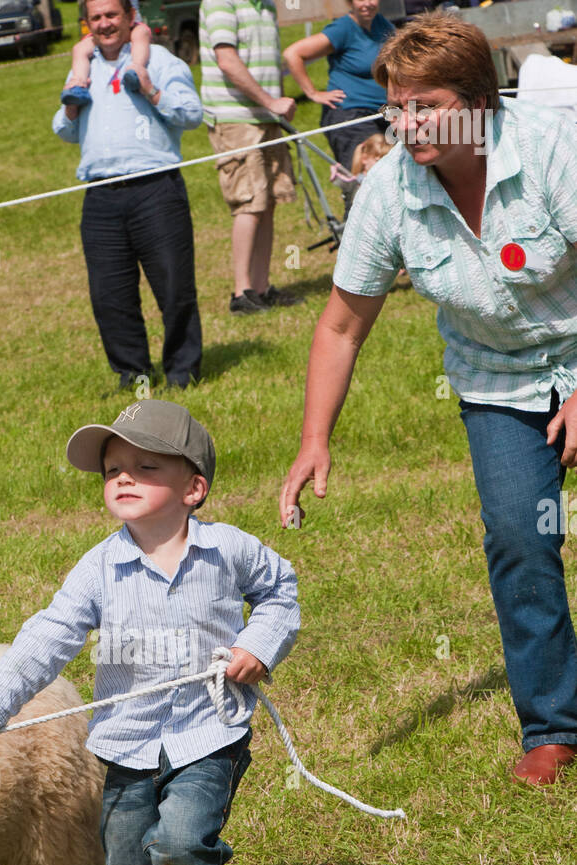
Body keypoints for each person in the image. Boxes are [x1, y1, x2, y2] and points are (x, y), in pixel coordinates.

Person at [279, 12, 577, 787]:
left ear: (480, 102)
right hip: (497, 380)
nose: (406, 124)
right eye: (396, 107)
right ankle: (551, 726)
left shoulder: (553, 149)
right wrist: (316, 438)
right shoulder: (388, 192)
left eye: (425, 104)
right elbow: (342, 324)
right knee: (520, 540)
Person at [0, 400, 300, 865]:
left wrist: (259, 644)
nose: (123, 477)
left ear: (194, 488)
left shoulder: (228, 550)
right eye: (112, 470)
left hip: (209, 731)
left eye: (145, 465)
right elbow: (45, 640)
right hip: (127, 741)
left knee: (180, 842)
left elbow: (280, 592)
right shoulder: (98, 569)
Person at [53, 0, 204, 390]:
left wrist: (151, 90)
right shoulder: (84, 65)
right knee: (109, 295)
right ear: (88, 24)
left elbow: (191, 114)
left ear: (130, 17)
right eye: (96, 18)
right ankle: (132, 372)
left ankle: (182, 372)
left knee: (174, 286)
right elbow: (64, 130)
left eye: (112, 15)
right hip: (101, 195)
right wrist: (71, 104)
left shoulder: (160, 60)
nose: (104, 24)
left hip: (155, 188)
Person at [199, 0, 297, 316]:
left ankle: (261, 287)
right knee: (249, 202)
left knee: (268, 201)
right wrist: (270, 101)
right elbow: (227, 61)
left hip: (266, 116)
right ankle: (241, 294)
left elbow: (268, 63)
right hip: (236, 117)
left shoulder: (267, 6)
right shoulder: (219, 2)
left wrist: (277, 105)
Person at [282, 0, 393, 207]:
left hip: (383, 114)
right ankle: (355, 230)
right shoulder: (342, 28)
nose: (368, 3)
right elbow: (293, 53)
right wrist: (313, 93)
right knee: (367, 176)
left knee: (394, 173)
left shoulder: (384, 27)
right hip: (350, 115)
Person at [63, 4, 151, 107]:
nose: (104, 24)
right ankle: (78, 84)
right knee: (78, 49)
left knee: (141, 34)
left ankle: (136, 69)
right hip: (99, 32)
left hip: (131, 25)